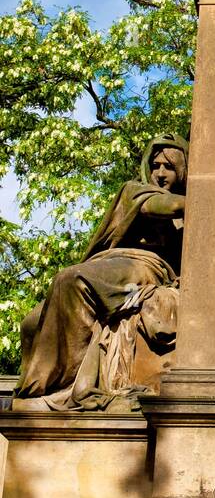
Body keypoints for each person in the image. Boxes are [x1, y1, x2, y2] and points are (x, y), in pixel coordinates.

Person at [15, 135, 188, 411]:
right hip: (118, 260)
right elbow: (159, 206)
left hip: (148, 267)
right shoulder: (135, 190)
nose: (159, 173)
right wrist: (210, 197)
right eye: (155, 166)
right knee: (32, 323)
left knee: (72, 279)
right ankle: (42, 393)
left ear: (182, 169)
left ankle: (51, 389)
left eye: (168, 166)